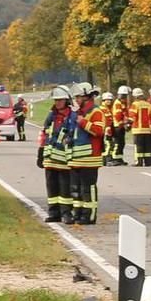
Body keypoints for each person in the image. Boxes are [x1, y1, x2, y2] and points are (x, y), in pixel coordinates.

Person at [37, 86, 75, 223]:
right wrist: (40, 153)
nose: (58, 102)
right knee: (51, 186)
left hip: (65, 159)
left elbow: (74, 135)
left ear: (67, 100)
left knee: (65, 188)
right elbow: (44, 133)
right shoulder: (50, 115)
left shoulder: (72, 116)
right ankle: (54, 212)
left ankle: (66, 213)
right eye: (56, 100)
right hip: (49, 158)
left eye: (60, 100)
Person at [71, 83, 104, 225]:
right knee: (76, 188)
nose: (76, 99)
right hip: (76, 158)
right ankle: (77, 213)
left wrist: (83, 122)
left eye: (78, 97)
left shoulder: (96, 112)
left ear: (86, 97)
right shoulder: (79, 112)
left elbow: (99, 131)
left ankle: (89, 215)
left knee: (88, 188)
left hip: (91, 158)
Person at [108, 85, 131, 165]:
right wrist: (124, 123)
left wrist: (127, 123)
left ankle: (120, 158)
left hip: (121, 126)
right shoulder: (117, 103)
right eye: (123, 95)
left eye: (125, 96)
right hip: (117, 126)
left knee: (122, 143)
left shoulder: (123, 103)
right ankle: (115, 159)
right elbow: (117, 116)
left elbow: (126, 114)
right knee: (117, 143)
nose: (124, 97)